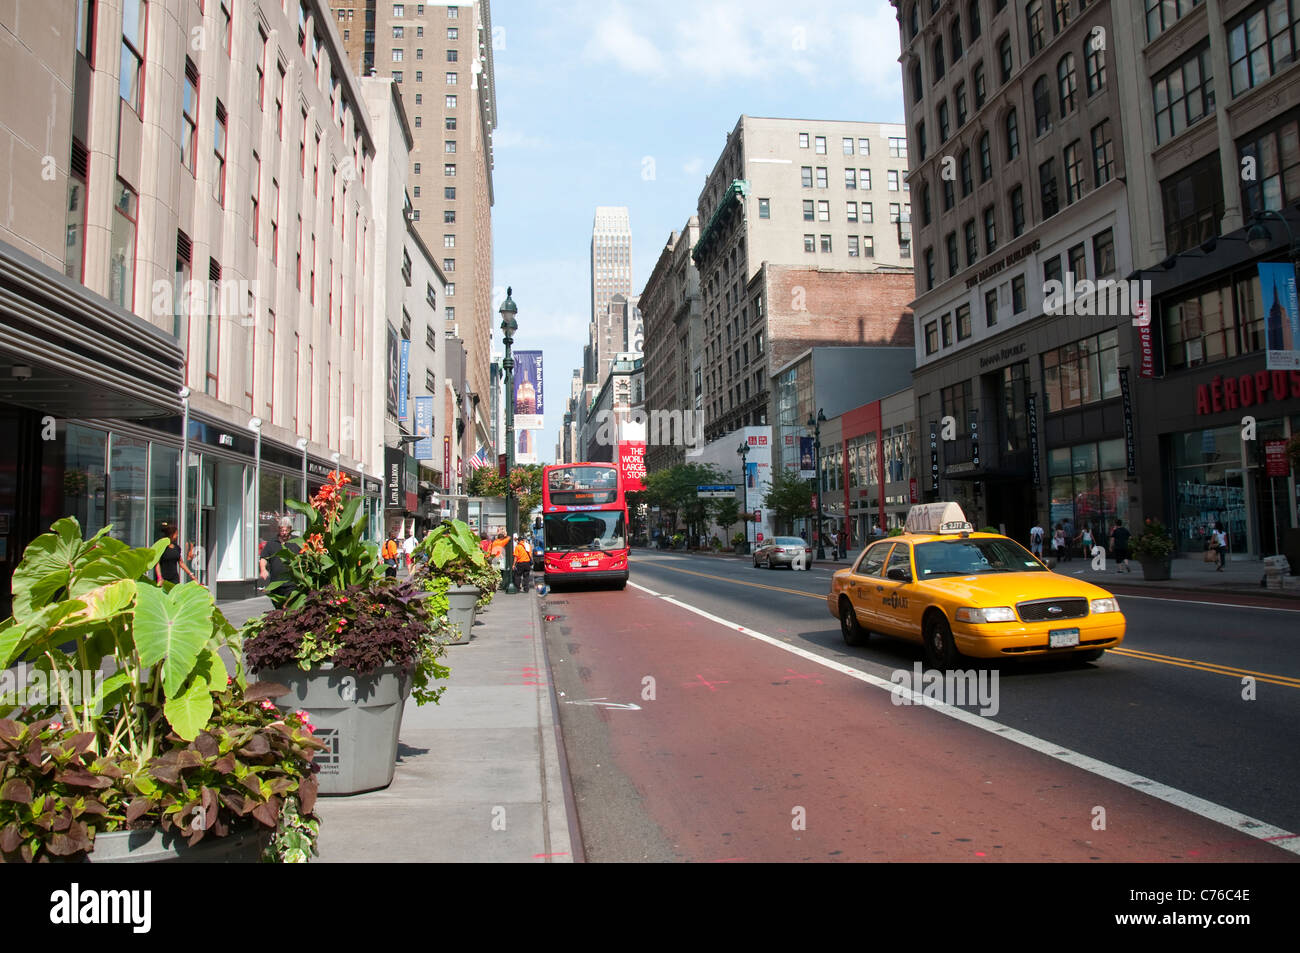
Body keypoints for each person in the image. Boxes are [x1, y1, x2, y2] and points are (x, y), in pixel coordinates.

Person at [260, 518, 295, 603]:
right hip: (276, 583)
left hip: (292, 583)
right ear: (278, 529)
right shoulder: (272, 543)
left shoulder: (296, 542)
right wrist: (263, 570)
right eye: (282, 530)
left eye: (286, 530)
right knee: (278, 607)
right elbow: (264, 557)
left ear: (290, 529)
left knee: (290, 606)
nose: (284, 533)